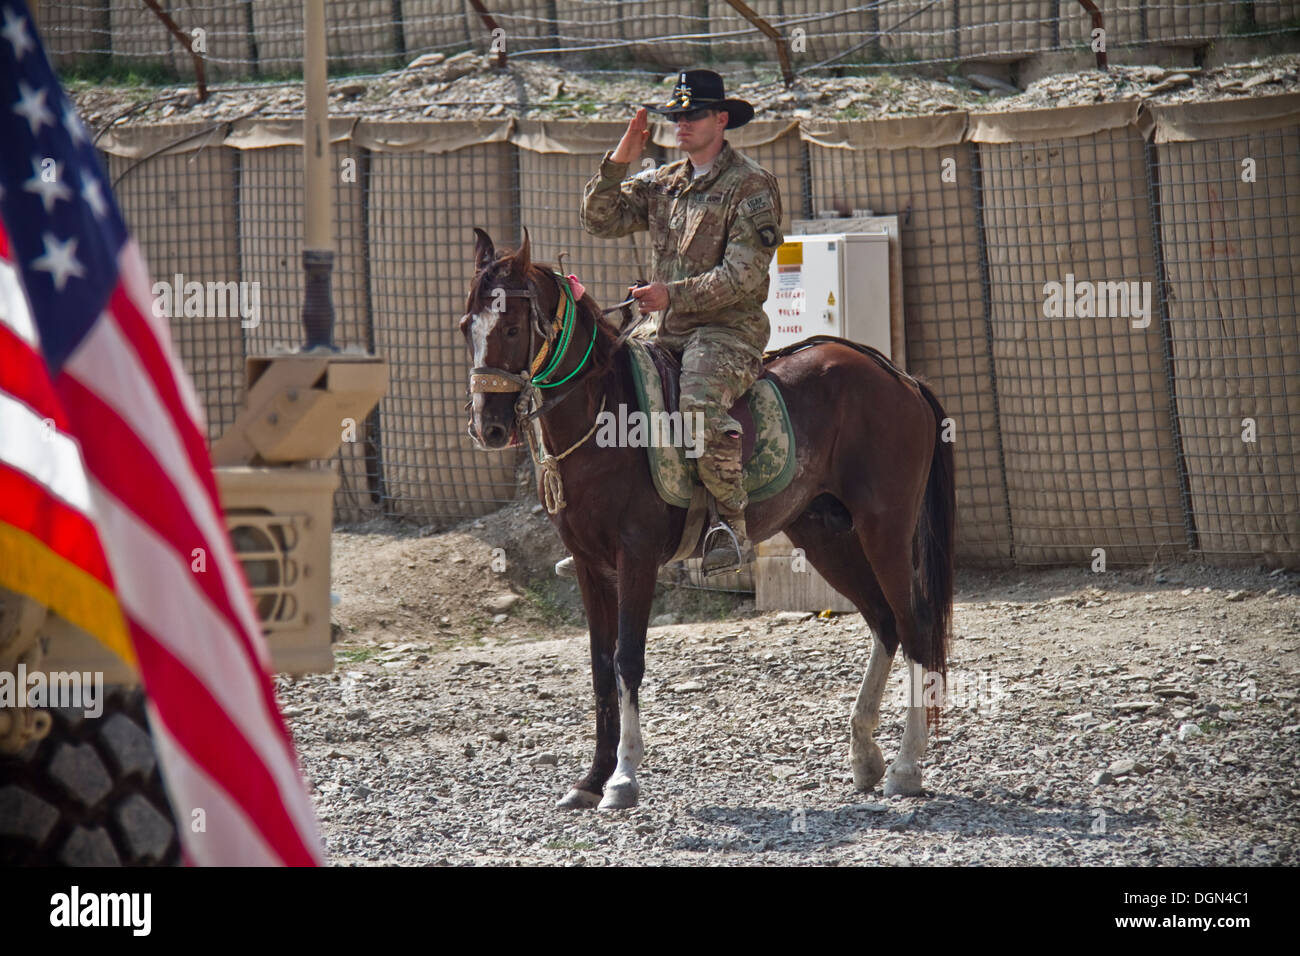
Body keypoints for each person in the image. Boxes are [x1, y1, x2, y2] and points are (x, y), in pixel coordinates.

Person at [551, 69, 785, 578]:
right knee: (595, 383)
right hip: (663, 327)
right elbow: (599, 219)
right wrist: (619, 161)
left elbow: (743, 277)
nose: (682, 123)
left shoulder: (751, 185)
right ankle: (599, 525)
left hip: (726, 331)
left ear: (721, 119)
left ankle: (729, 524)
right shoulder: (664, 182)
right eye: (676, 115)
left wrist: (668, 294)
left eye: (693, 113)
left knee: (697, 406)